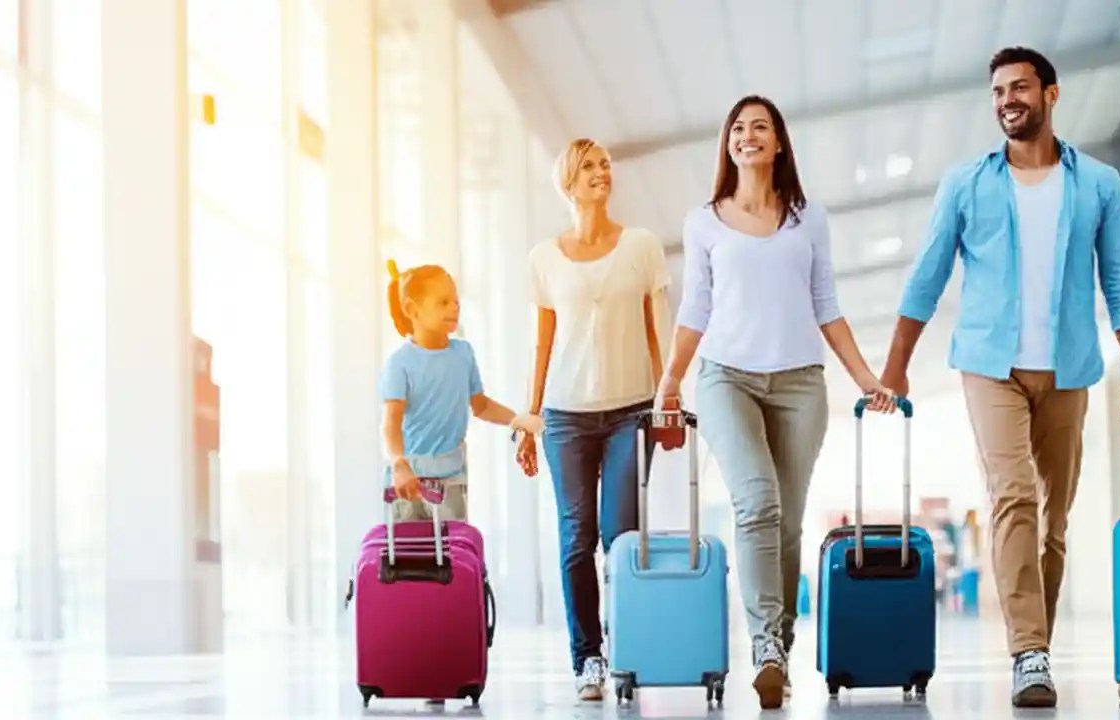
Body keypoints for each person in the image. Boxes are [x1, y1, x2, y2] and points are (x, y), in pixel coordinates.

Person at [879, 47, 1120, 709]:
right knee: (1014, 501)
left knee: (1053, 521)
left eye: (1021, 88)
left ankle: (1036, 645)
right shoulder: (966, 184)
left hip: (1069, 370)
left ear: (1051, 95)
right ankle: (1028, 652)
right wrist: (896, 366)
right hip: (988, 366)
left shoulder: (1098, 184)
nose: (1008, 99)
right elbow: (927, 276)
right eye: (999, 90)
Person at [655, 95, 895, 710]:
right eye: (737, 127)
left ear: (780, 142)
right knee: (756, 502)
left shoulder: (807, 218)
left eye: (760, 126)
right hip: (725, 378)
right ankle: (766, 646)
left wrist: (867, 377)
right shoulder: (704, 220)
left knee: (787, 520)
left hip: (799, 384)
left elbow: (827, 304)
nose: (747, 135)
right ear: (727, 144)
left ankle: (779, 649)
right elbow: (695, 308)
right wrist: (670, 380)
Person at [517, 138, 672, 701]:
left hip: (633, 410)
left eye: (605, 164)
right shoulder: (544, 258)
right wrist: (529, 416)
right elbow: (543, 341)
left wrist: (667, 397)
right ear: (568, 180)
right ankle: (588, 658)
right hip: (564, 418)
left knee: (621, 537)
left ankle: (625, 647)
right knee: (575, 541)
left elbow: (659, 329)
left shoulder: (642, 246)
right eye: (588, 166)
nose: (601, 172)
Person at [379, 261, 543, 522]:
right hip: (408, 481)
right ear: (412, 309)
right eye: (443, 302)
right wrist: (399, 463)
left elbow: (481, 406)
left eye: (456, 301)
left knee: (452, 555)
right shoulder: (400, 363)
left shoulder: (463, 354)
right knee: (411, 556)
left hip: (452, 479)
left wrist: (516, 420)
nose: (454, 307)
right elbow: (391, 422)